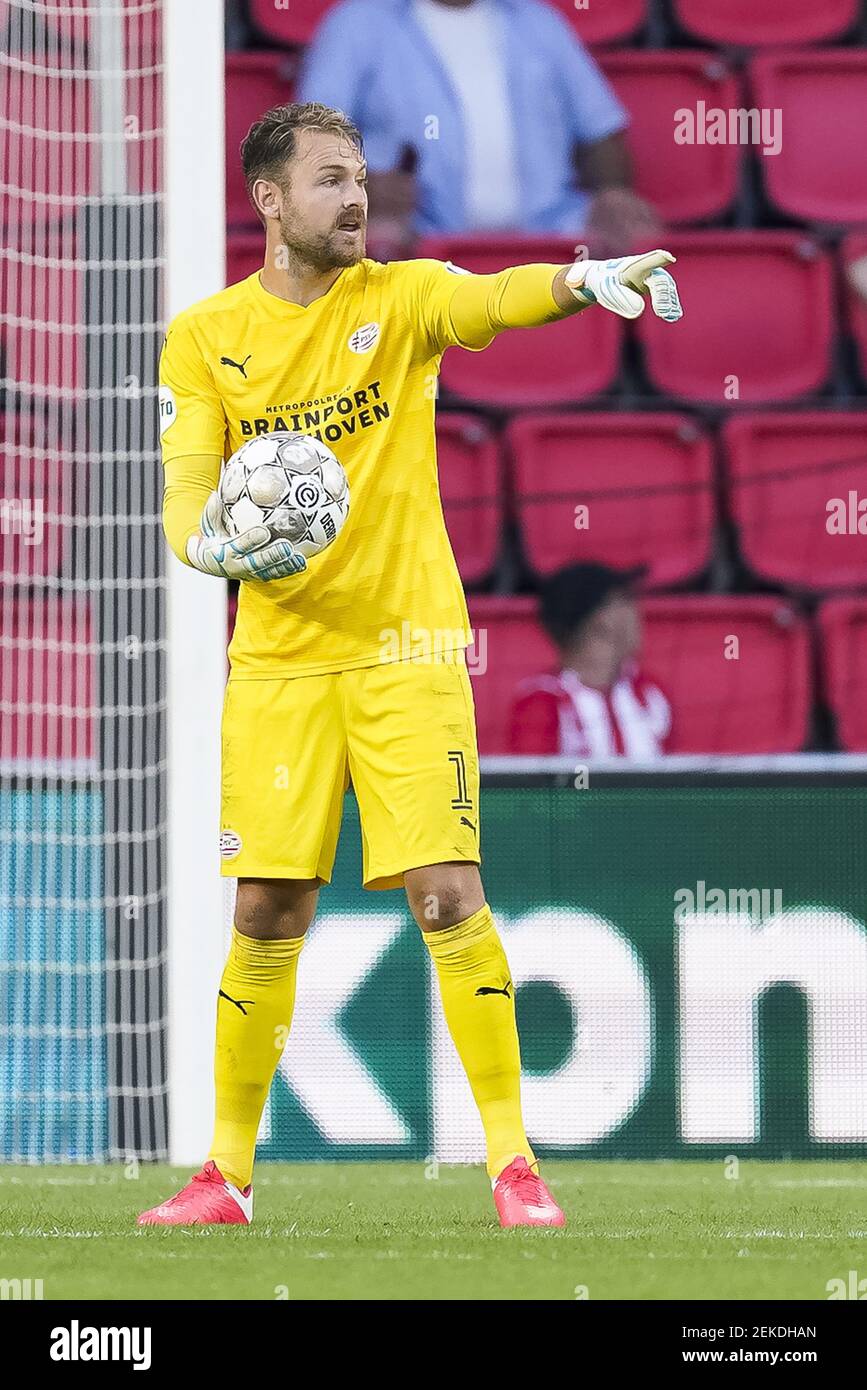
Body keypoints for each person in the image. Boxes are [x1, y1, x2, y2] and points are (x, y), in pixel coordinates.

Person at [141, 101, 681, 1230]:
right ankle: (225, 1177)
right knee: (269, 910)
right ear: (270, 201)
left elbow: (493, 298)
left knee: (447, 893)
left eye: (361, 178)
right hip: (280, 664)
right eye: (330, 180)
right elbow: (188, 499)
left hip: (408, 653)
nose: (354, 199)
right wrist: (213, 545)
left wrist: (584, 279)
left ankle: (514, 1165)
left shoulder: (401, 299)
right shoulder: (204, 336)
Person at [298, 0, 661, 254]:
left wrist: (613, 193)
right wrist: (357, 186)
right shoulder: (356, 22)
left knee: (638, 235)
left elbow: (600, 131)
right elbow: (311, 140)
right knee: (366, 238)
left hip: (551, 230)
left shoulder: (539, 21)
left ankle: (633, 364)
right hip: (419, 234)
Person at [509, 563, 672, 758]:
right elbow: (530, 784)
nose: (637, 611)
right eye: (626, 600)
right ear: (603, 619)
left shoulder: (648, 691)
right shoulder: (542, 700)